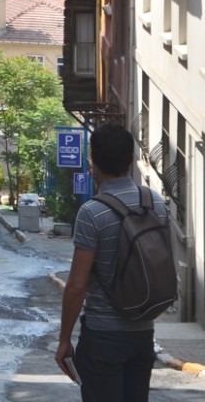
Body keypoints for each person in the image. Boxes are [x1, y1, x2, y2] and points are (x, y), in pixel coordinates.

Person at [55, 123, 170, 401]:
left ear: (93, 159)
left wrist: (64, 339)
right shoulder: (155, 203)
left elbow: (76, 287)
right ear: (131, 158)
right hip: (143, 335)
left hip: (103, 337)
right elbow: (164, 266)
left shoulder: (92, 212)